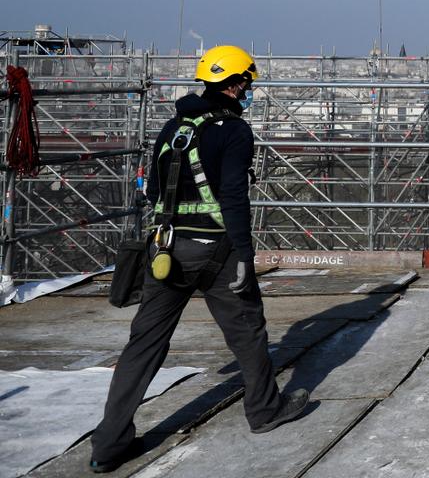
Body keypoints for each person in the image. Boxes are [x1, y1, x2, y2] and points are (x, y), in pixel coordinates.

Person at [90, 46, 308, 473]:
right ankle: (265, 410)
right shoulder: (233, 130)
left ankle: (108, 445)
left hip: (166, 249)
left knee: (144, 344)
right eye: (247, 81)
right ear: (237, 82)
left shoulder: (173, 127)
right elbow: (232, 197)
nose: (249, 88)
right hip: (217, 249)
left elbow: (154, 192)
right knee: (247, 331)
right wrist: (245, 254)